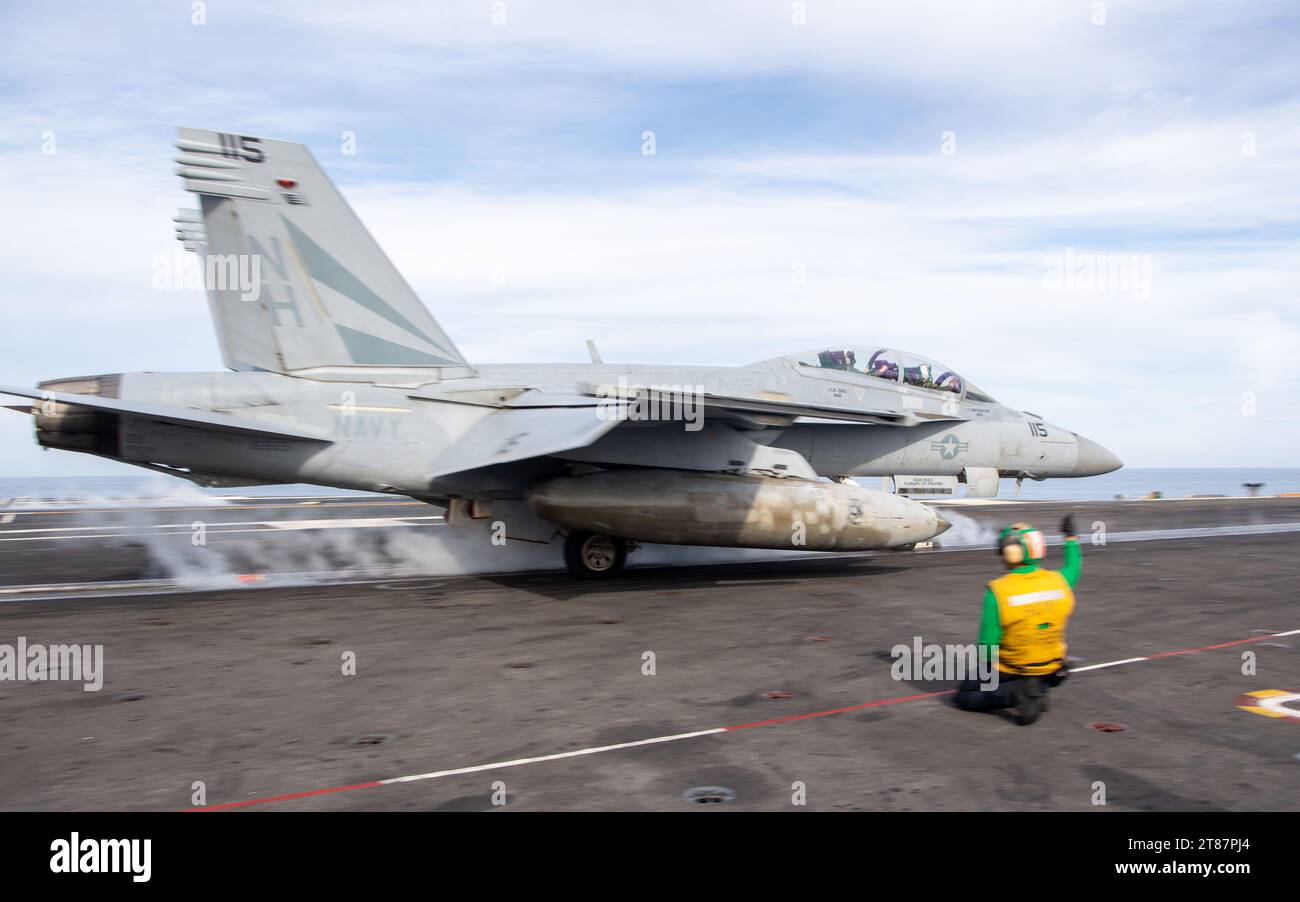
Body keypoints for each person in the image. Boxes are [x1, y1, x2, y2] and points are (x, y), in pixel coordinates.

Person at [953, 516, 1081, 725]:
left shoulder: (999, 590)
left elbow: (987, 645)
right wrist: (1071, 538)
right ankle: (1041, 686)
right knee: (1029, 672)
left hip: (1014, 665)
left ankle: (1018, 694)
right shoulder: (1060, 581)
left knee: (965, 694)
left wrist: (988, 669)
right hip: (1053, 663)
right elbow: (1074, 566)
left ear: (1009, 553)